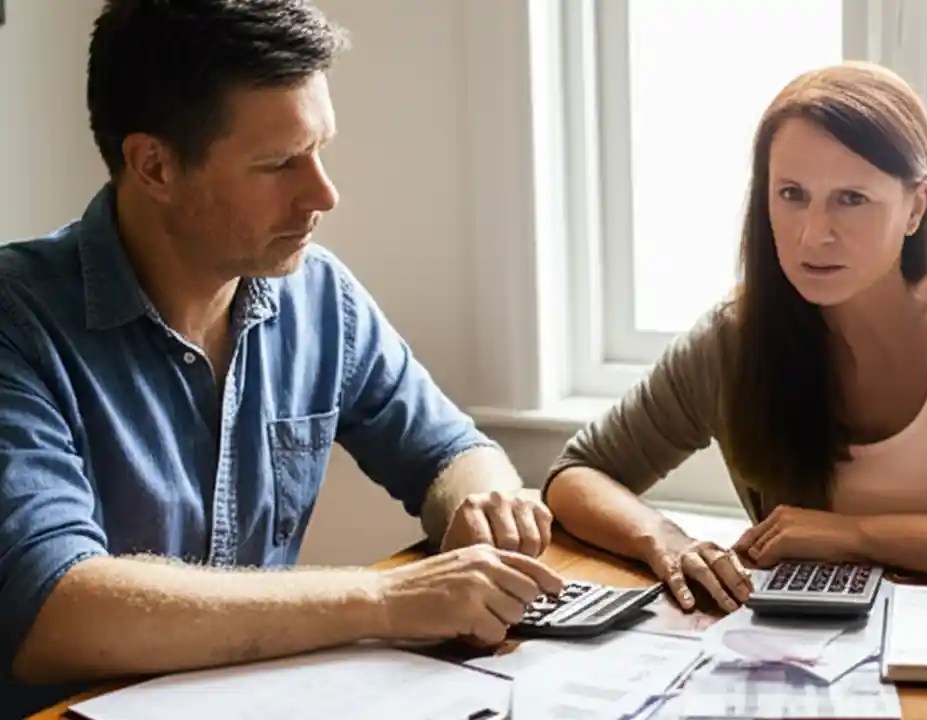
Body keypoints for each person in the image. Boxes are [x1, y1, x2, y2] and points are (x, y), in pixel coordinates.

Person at [0, 1, 560, 715]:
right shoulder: (16, 321)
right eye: (279, 164)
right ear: (155, 165)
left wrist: (485, 504)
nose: (323, 193)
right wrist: (383, 598)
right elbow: (53, 608)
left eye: (319, 148)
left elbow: (452, 451)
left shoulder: (318, 293)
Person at [544, 61, 927, 615]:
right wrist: (666, 539)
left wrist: (853, 536)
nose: (812, 236)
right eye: (791, 194)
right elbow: (577, 474)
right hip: (810, 669)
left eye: (851, 199)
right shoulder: (736, 336)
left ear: (915, 206)